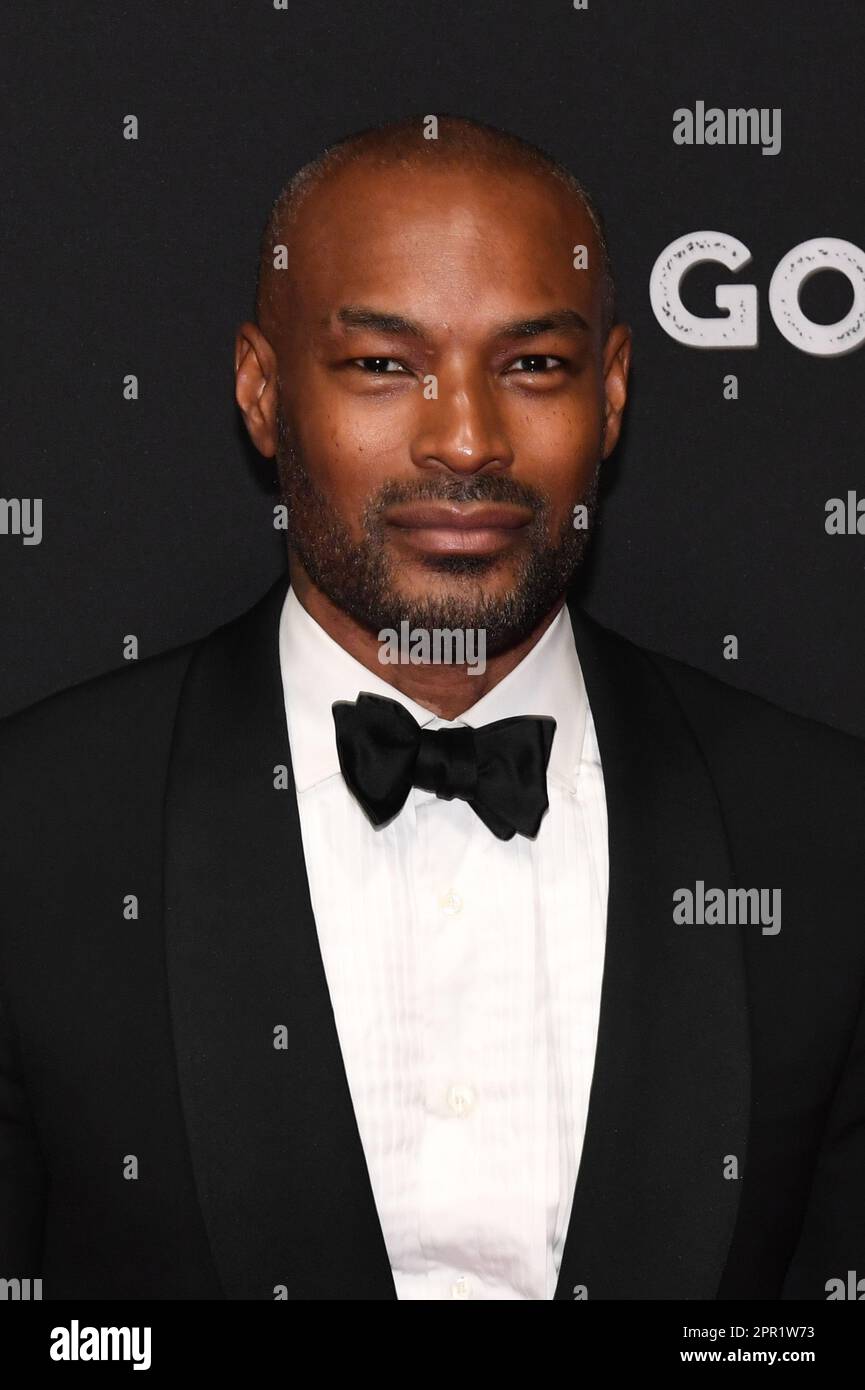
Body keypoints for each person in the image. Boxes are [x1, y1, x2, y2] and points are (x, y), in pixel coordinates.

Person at [1, 115, 863, 1302]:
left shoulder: (822, 836)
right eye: (383, 365)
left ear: (610, 394)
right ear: (260, 390)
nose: (465, 439)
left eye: (532, 366)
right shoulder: (37, 831)